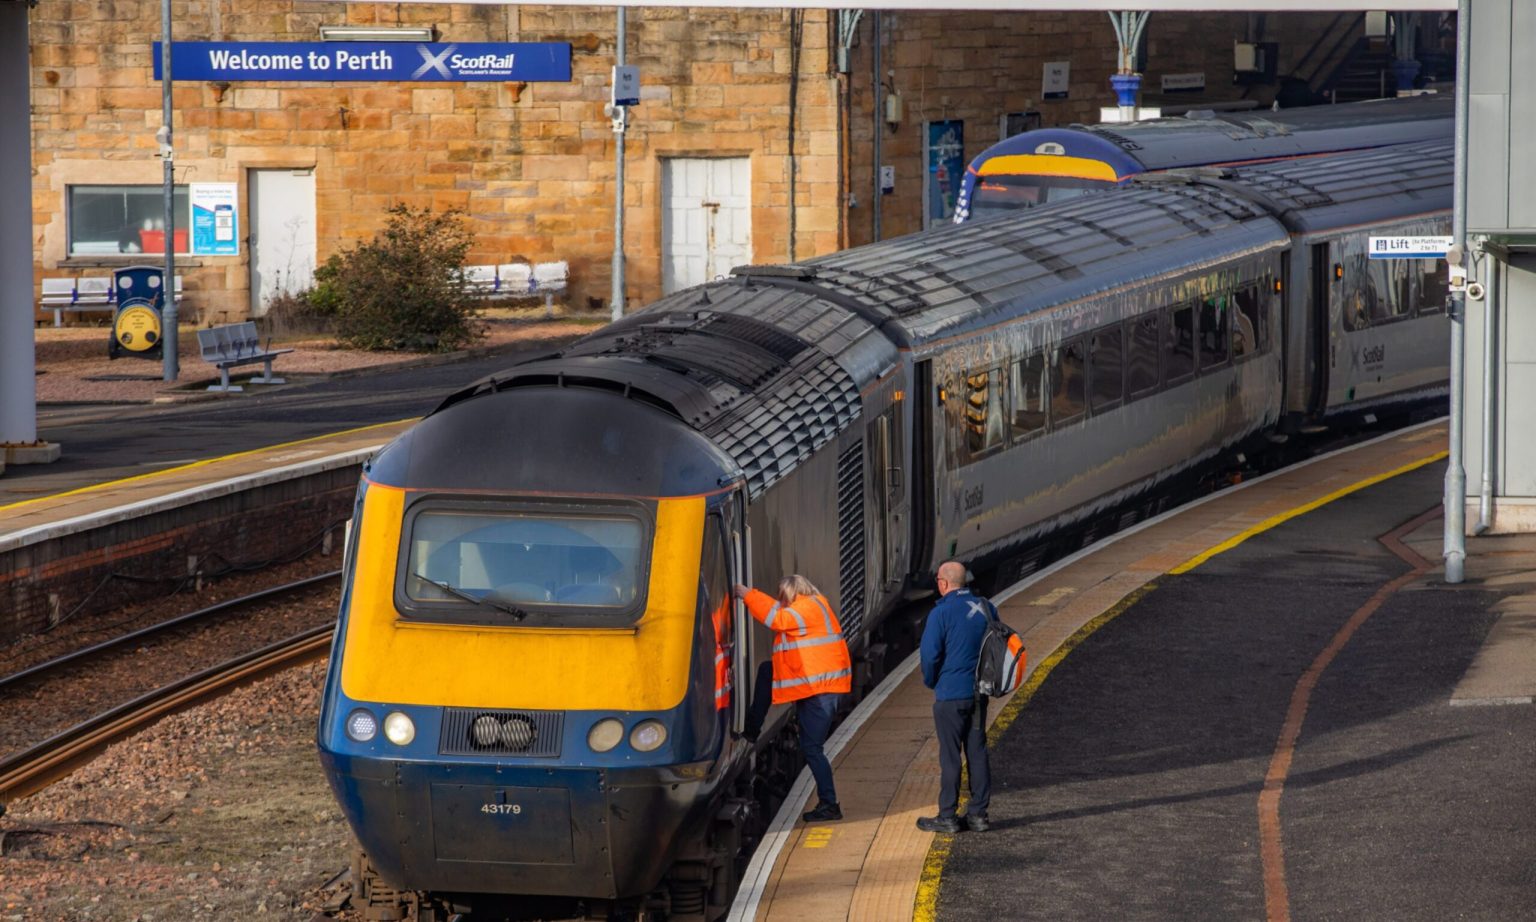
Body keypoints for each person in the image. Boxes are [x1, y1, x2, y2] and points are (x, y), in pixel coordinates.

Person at [733, 574, 851, 822]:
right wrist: (750, 595)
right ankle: (752, 728)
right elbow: (779, 611)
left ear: (793, 592)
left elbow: (778, 618)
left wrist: (747, 595)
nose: (781, 601)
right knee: (767, 671)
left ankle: (830, 804)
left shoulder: (808, 608)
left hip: (821, 691)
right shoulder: (809, 606)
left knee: (812, 749)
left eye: (783, 596)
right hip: (814, 688)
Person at [916, 560, 993, 834]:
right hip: (979, 693)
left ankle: (947, 816)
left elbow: (929, 656)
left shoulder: (941, 613)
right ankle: (978, 815)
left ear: (944, 583)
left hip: (950, 695)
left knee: (950, 756)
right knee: (977, 752)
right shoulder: (986, 607)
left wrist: (931, 681)